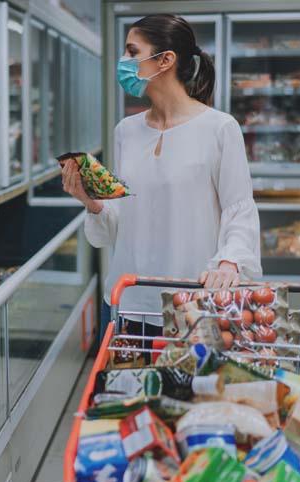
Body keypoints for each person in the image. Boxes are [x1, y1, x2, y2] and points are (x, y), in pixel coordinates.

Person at [61, 14, 262, 342]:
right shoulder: (126, 131)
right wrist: (91, 202)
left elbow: (239, 209)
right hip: (127, 302)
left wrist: (230, 261)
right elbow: (123, 218)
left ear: (165, 59)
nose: (123, 62)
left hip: (192, 305)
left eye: (132, 51)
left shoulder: (219, 129)